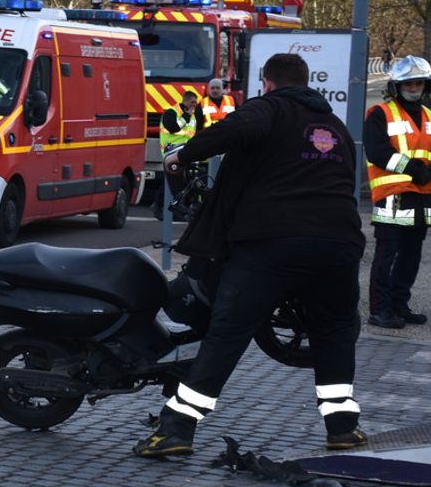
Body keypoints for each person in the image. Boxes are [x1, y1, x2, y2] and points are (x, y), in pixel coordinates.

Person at [135, 53, 366, 458]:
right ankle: (343, 428)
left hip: (272, 242)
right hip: (338, 243)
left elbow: (233, 128)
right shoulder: (333, 125)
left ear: (268, 83)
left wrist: (179, 156)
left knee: (228, 333)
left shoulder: (269, 109)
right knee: (334, 332)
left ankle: (176, 430)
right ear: (307, 83)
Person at [364, 55, 431, 329]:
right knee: (388, 252)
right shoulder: (380, 113)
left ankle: (399, 304)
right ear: (397, 85)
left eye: (418, 83)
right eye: (409, 83)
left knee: (412, 253)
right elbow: (378, 151)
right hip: (392, 193)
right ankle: (380, 309)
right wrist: (414, 168)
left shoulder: (428, 116)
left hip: (423, 194)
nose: (414, 88)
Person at [154, 91, 203, 220]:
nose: (195, 105)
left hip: (186, 152)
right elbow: (173, 128)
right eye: (192, 102)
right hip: (171, 151)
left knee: (183, 181)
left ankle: (182, 209)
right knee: (173, 182)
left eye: (196, 102)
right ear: (185, 101)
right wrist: (186, 116)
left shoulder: (193, 115)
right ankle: (160, 208)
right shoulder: (171, 113)